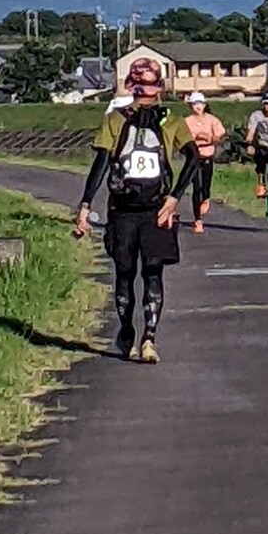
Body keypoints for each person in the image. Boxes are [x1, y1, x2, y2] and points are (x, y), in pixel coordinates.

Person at [74, 57, 199, 363]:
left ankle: (143, 336)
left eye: (149, 86)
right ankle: (136, 334)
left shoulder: (160, 120)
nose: (146, 93)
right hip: (136, 210)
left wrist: (173, 198)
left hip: (147, 208)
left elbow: (193, 158)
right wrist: (85, 205)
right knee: (135, 272)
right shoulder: (128, 120)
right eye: (143, 87)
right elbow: (102, 163)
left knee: (142, 273)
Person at [184, 91, 226, 233]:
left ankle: (206, 198)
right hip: (194, 157)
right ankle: (198, 219)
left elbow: (219, 135)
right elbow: (186, 138)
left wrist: (210, 138)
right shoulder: (187, 121)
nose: (198, 107)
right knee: (196, 187)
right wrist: (197, 137)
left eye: (200, 104)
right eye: (195, 104)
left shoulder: (212, 120)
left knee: (205, 186)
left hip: (208, 155)